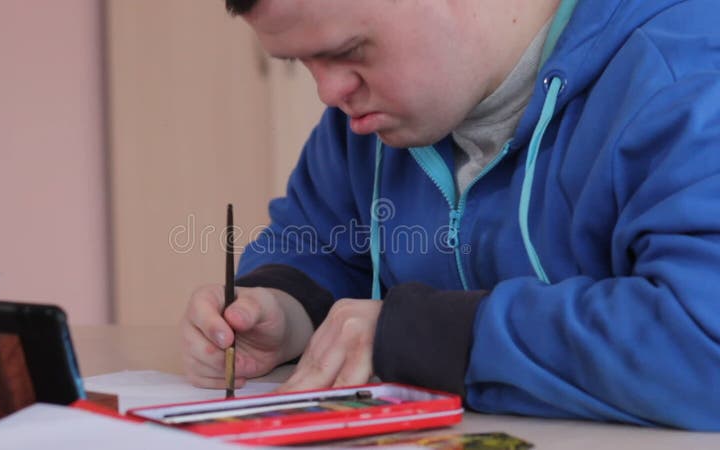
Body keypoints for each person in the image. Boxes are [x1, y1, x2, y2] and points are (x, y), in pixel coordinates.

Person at [181, 0, 720, 430]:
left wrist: (427, 338)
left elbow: (703, 343)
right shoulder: (367, 129)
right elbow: (320, 244)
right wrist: (282, 310)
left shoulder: (689, 78)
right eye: (303, 63)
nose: (330, 91)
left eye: (349, 50)